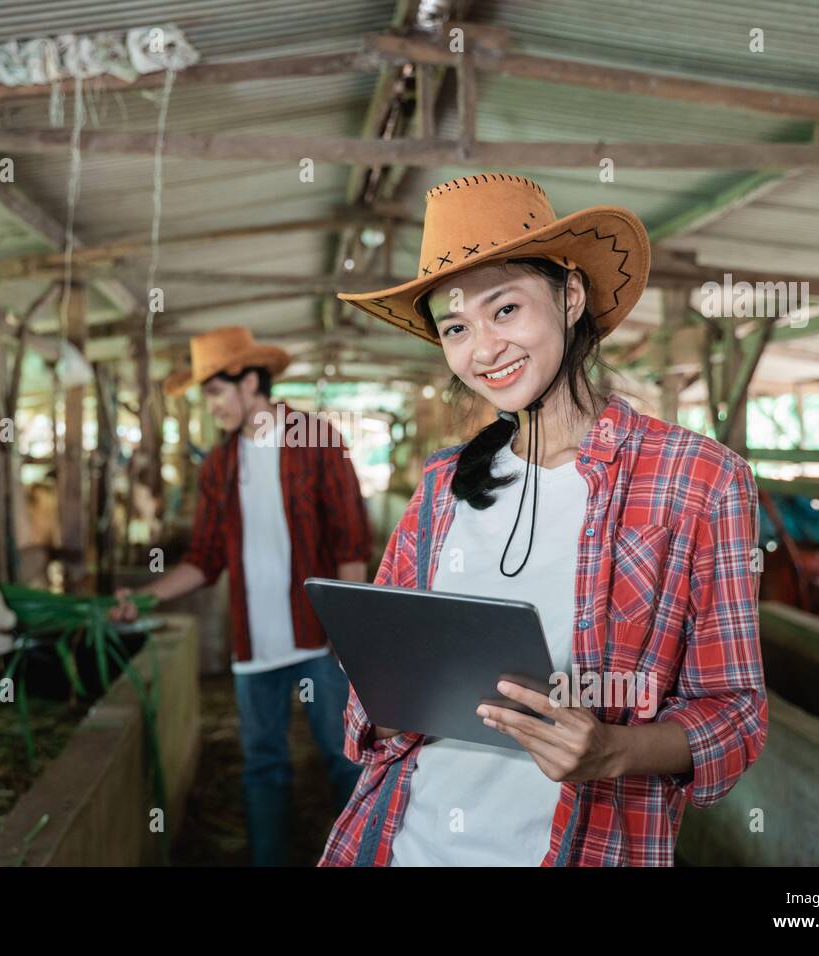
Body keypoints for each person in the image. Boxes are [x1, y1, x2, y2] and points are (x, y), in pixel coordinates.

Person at [319, 172, 768, 866]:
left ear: (571, 295)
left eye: (505, 310)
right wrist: (380, 690)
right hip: (407, 843)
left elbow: (735, 714)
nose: (484, 349)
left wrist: (614, 750)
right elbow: (373, 688)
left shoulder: (698, 481)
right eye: (456, 327)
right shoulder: (442, 486)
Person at [110, 325, 369, 866]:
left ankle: (365, 855)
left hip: (321, 640)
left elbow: (350, 545)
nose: (211, 408)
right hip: (253, 646)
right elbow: (205, 558)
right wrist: (148, 598)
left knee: (347, 760)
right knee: (262, 766)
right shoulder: (219, 465)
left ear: (250, 381)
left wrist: (354, 638)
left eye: (214, 392)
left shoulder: (316, 441)